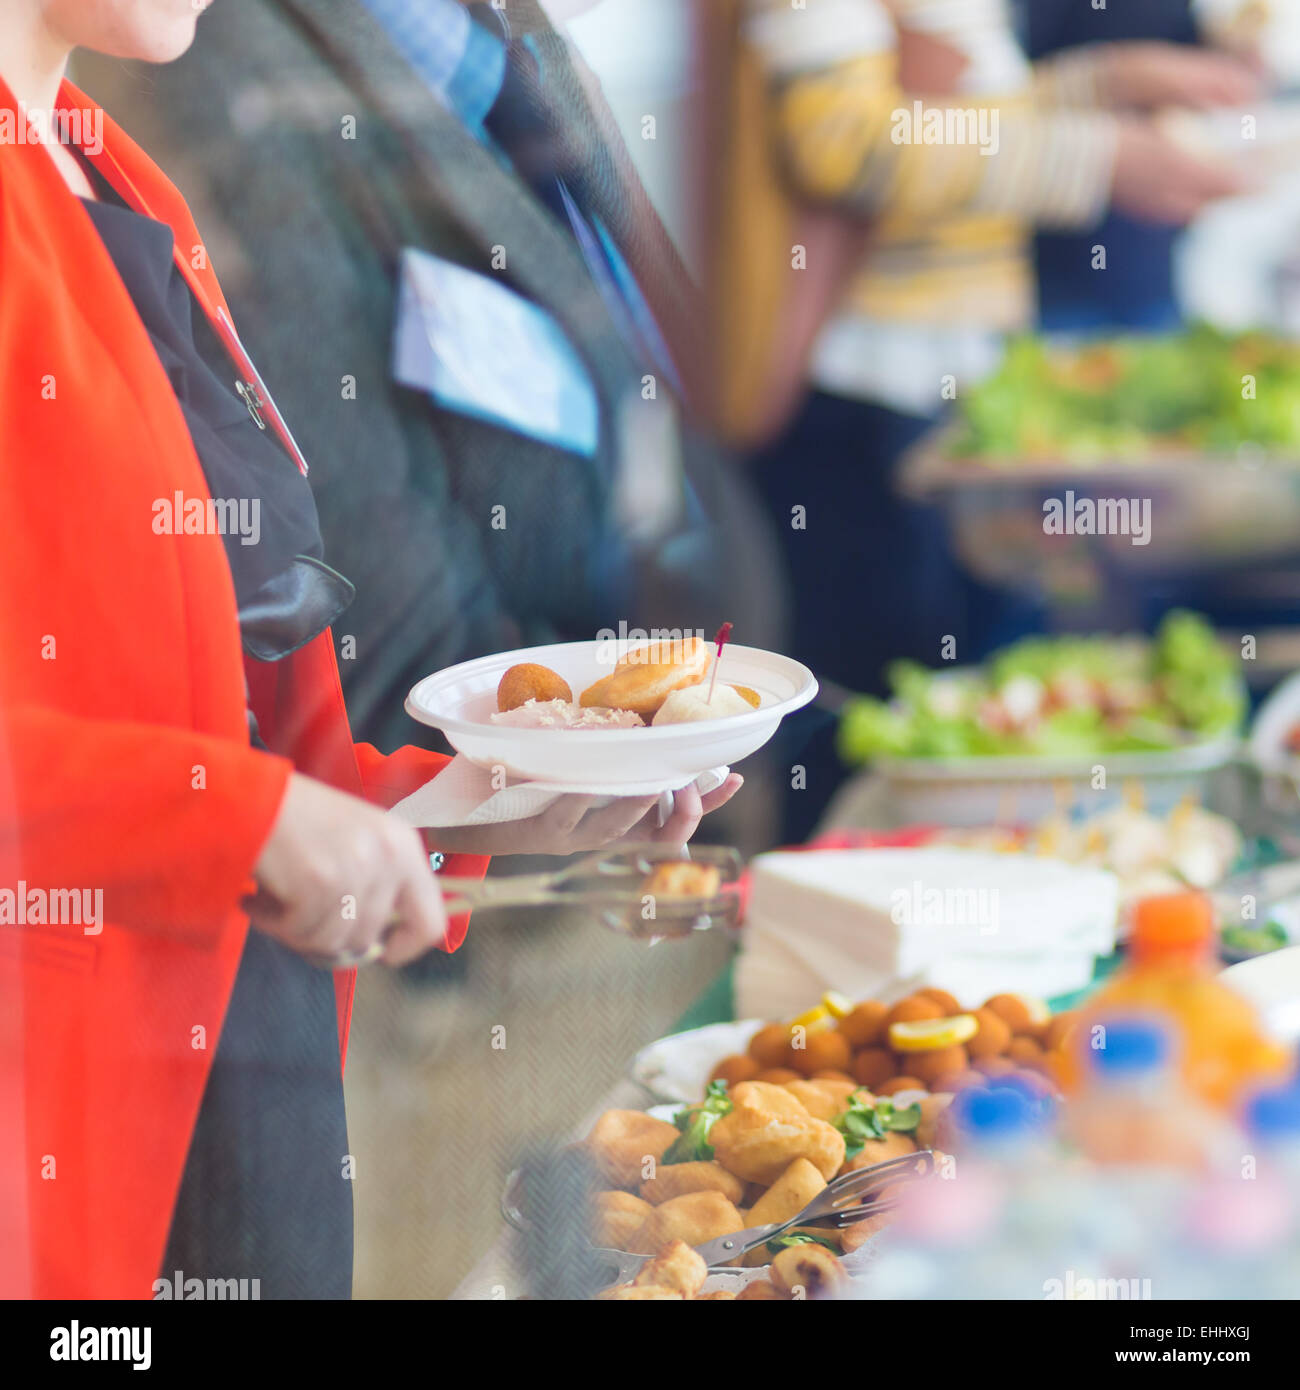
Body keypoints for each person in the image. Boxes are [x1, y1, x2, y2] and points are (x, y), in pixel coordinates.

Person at [0, 0, 740, 1299]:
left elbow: (224, 711)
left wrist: (489, 804)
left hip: (238, 1069)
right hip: (55, 1106)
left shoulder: (105, 164)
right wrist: (246, 818)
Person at [75, 0, 788, 763]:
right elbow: (372, 633)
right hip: (520, 824)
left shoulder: (512, 34)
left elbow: (644, 362)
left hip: (694, 744)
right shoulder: (210, 59)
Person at [714, 0, 1251, 840]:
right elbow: (842, 144)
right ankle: (816, 954)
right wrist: (1103, 156)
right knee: (864, 761)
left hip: (945, 395)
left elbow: (963, 126)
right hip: (859, 395)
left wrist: (1104, 87)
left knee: (957, 741)